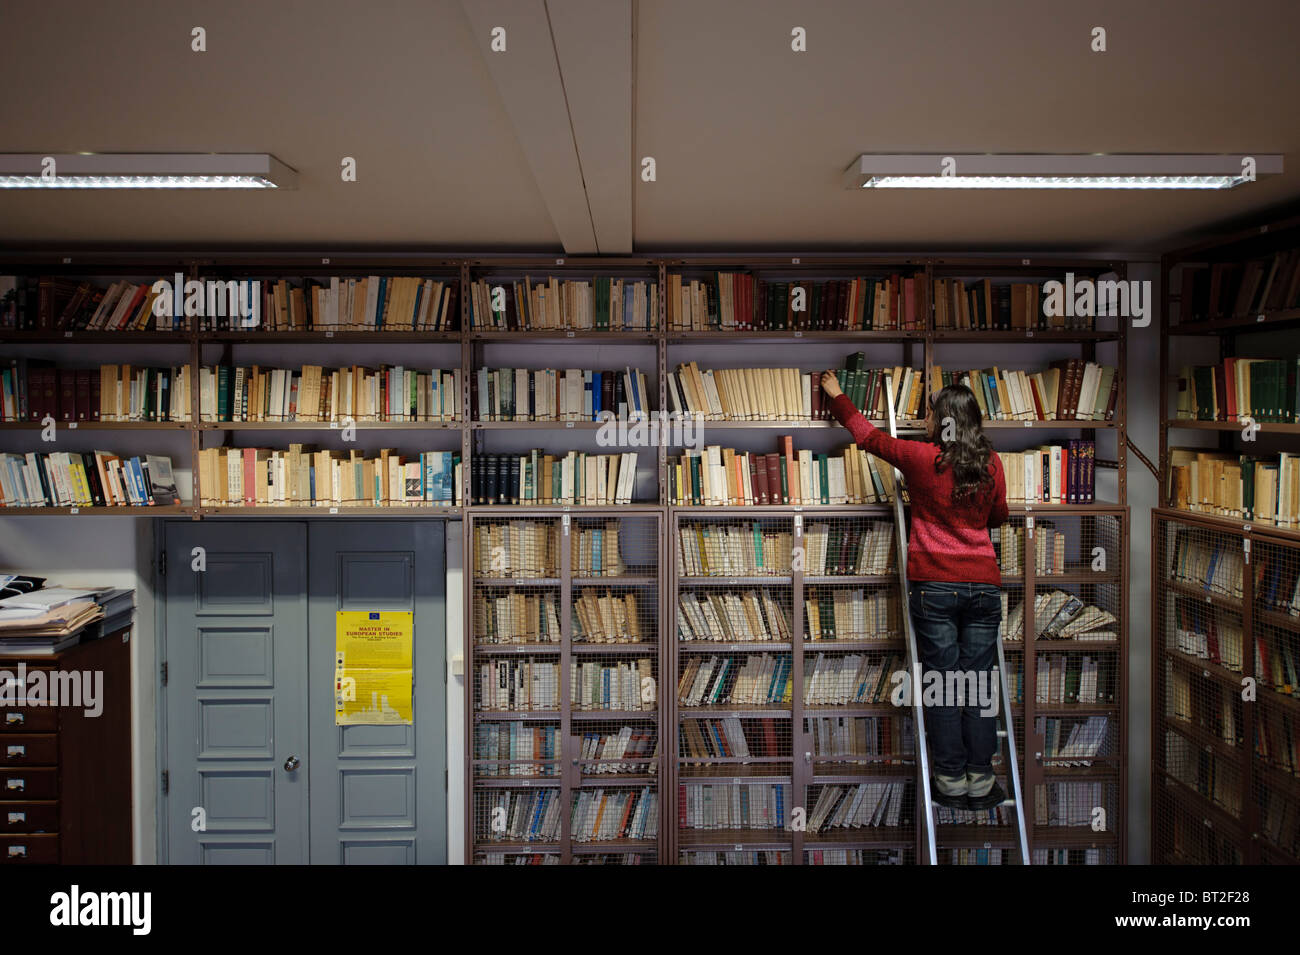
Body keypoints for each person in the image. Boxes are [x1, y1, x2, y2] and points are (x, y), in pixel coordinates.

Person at [820, 371, 1010, 810]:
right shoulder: (992, 465)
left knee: (942, 685)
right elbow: (999, 516)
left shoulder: (922, 459)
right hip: (982, 588)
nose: (925, 419)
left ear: (943, 421)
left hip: (934, 588)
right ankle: (980, 778)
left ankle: (949, 778)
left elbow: (868, 437)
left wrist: (837, 395)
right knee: (979, 685)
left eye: (930, 413)